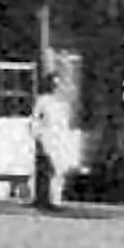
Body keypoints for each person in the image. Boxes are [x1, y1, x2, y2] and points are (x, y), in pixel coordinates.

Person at [29, 73, 71, 208]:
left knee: (58, 170)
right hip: (46, 138)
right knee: (46, 169)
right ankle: (42, 199)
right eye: (53, 84)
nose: (56, 87)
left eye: (57, 84)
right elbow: (35, 120)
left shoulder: (62, 103)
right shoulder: (43, 101)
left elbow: (64, 123)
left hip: (59, 139)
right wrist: (37, 137)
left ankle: (55, 200)